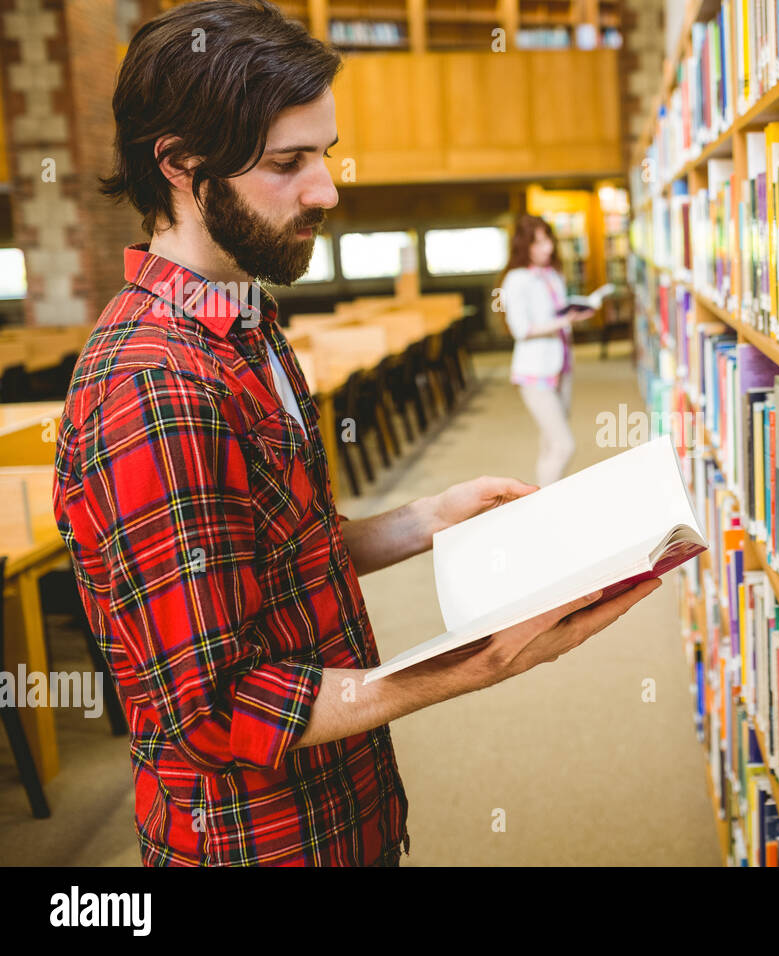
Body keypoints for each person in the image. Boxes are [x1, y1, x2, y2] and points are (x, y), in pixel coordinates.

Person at [52, 0, 659, 867]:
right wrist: (471, 666)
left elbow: (265, 555)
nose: (328, 188)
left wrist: (423, 521)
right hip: (258, 843)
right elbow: (215, 706)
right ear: (183, 168)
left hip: (343, 806)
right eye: (288, 162)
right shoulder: (155, 388)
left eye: (324, 154)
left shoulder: (242, 319)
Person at [498, 215, 593, 485]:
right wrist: (563, 321)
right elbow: (521, 328)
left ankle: (541, 496)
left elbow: (556, 312)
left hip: (561, 366)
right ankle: (542, 505)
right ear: (524, 246)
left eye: (548, 240)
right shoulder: (516, 279)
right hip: (534, 372)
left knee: (550, 443)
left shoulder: (554, 274)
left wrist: (575, 312)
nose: (547, 248)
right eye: (538, 242)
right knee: (564, 446)